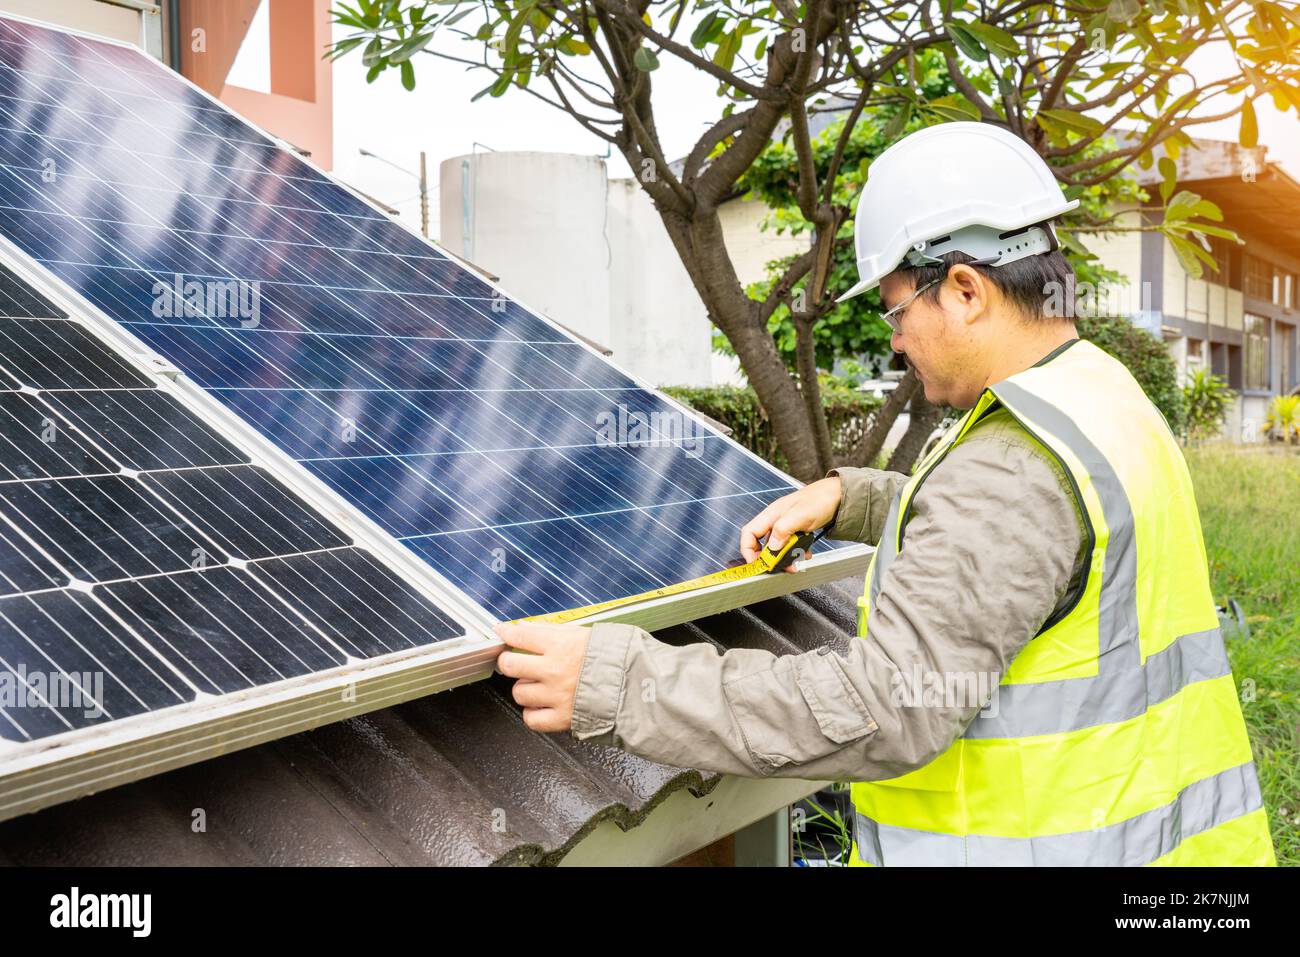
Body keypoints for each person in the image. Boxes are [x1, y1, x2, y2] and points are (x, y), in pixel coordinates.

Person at [494, 122, 1275, 866]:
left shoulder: (1012, 467)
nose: (896, 339)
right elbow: (1026, 548)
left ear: (965, 289)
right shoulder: (1096, 394)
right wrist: (856, 495)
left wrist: (621, 680)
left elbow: (886, 703)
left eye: (898, 310)